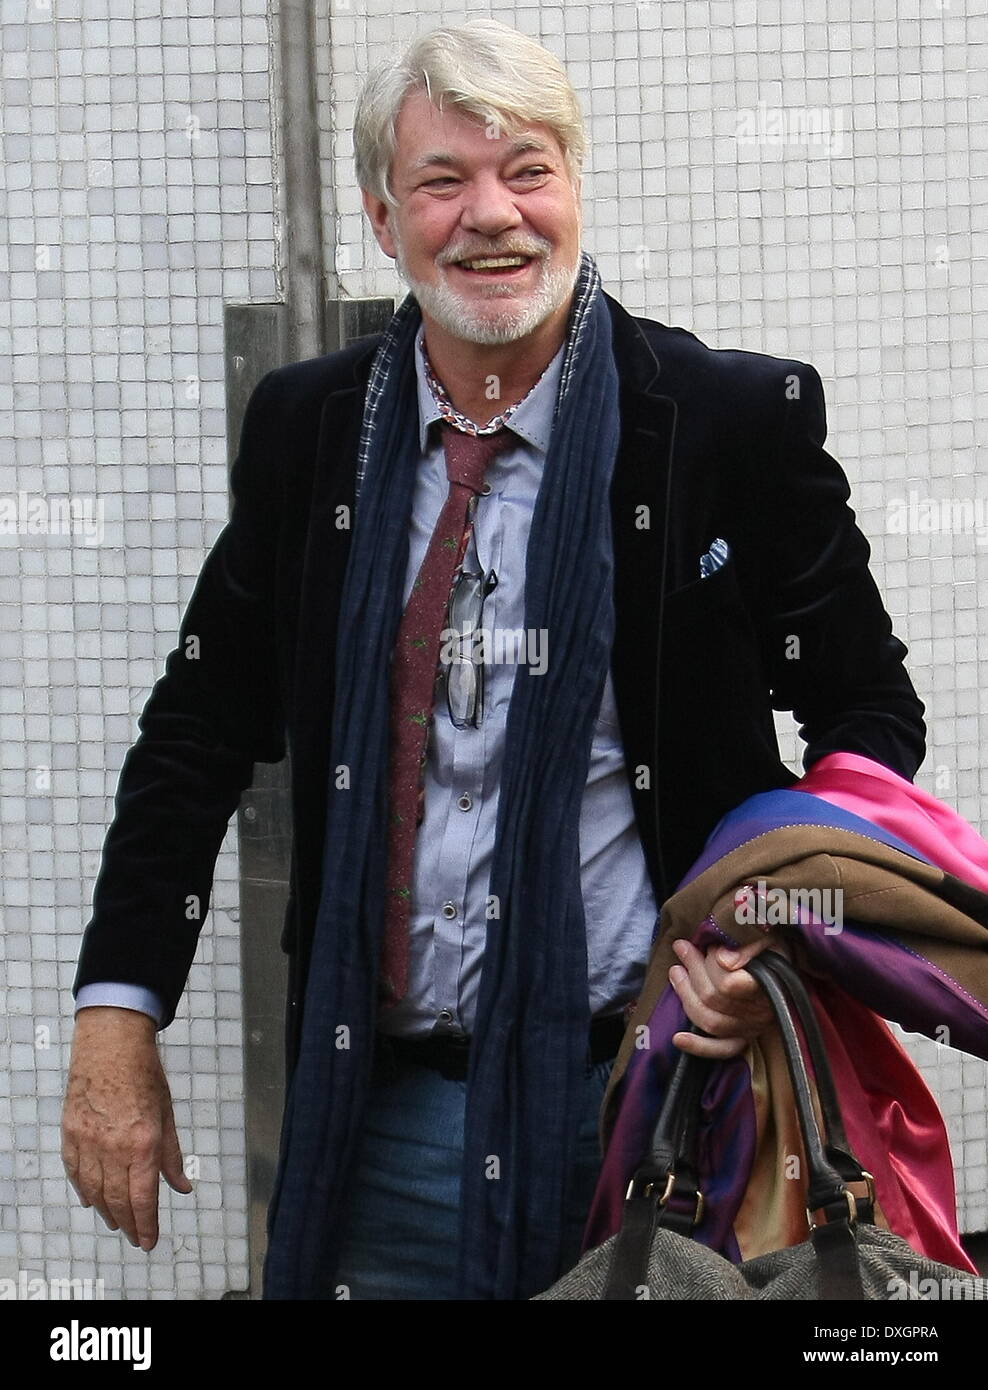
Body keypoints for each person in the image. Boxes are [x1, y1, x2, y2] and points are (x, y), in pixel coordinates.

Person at [62, 18, 926, 1301]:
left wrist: (774, 940)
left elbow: (866, 721)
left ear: (573, 186)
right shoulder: (310, 434)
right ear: (379, 214)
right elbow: (196, 729)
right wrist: (116, 1015)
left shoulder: (727, 423)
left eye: (527, 169)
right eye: (442, 180)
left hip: (654, 1104)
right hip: (382, 1115)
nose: (491, 215)